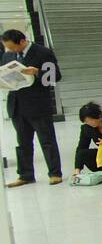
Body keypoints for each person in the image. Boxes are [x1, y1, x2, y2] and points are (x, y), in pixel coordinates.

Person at [2, 28, 63, 187]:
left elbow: (55, 77)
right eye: (7, 47)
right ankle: (25, 174)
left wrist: (37, 72)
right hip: (17, 105)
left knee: (47, 140)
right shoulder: (8, 55)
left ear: (22, 41)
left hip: (38, 105)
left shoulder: (43, 52)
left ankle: (55, 173)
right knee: (23, 143)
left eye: (12, 47)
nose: (10, 50)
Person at [72, 102, 102, 180]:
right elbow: (81, 147)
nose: (89, 123)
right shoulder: (87, 128)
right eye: (86, 122)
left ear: (99, 116)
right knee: (83, 154)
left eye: (90, 120)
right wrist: (77, 170)